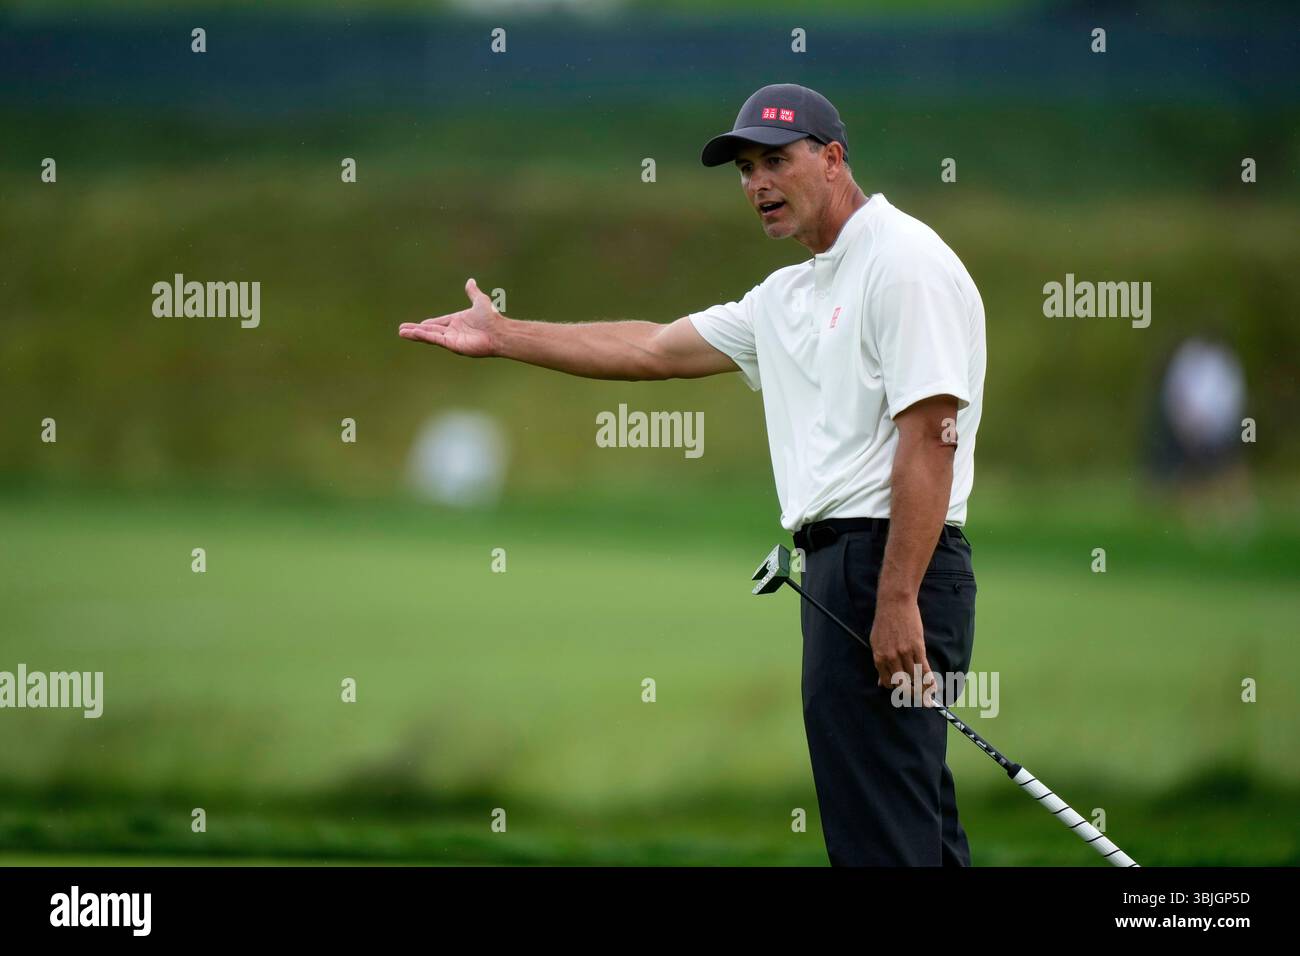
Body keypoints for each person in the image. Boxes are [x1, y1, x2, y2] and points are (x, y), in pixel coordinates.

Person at [398, 83, 987, 866]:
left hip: (894, 570)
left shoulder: (903, 263)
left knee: (882, 838)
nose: (756, 185)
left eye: (774, 161)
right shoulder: (790, 294)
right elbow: (650, 349)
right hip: (843, 574)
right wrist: (506, 335)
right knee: (911, 825)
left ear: (833, 158)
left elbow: (932, 437)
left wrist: (898, 597)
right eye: (744, 169)